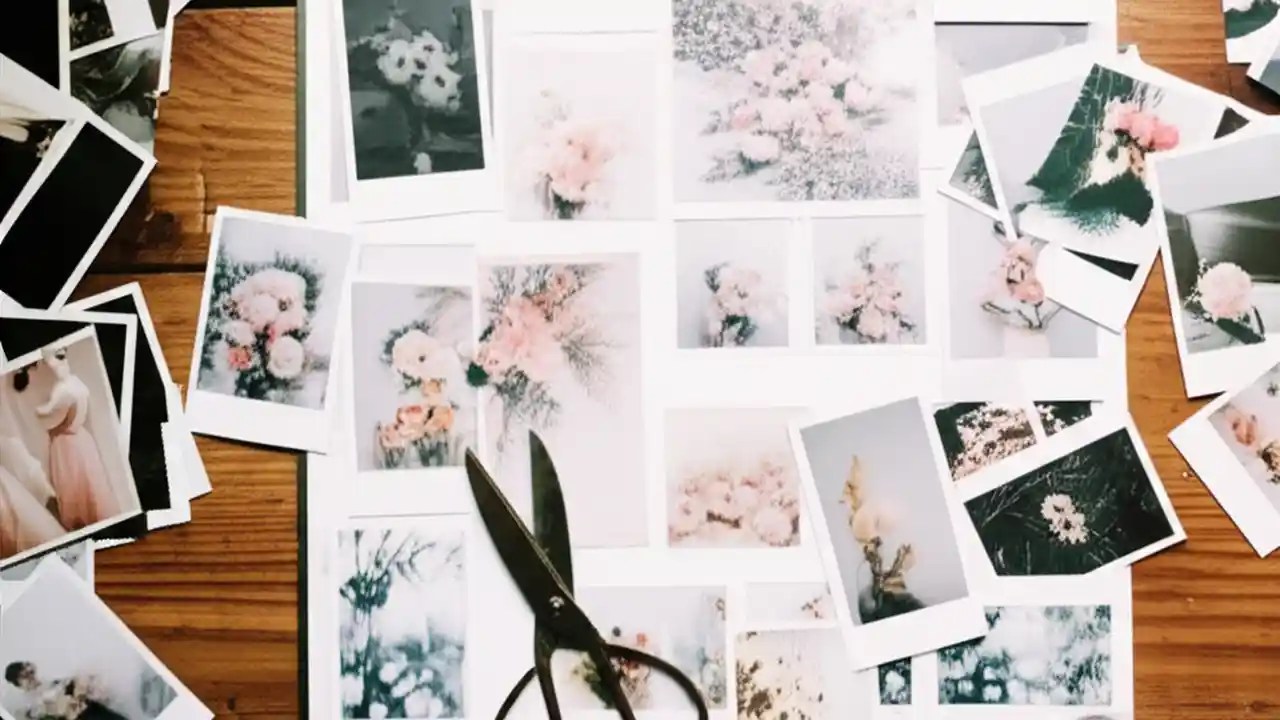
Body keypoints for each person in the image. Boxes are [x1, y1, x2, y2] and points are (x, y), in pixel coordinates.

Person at [34, 349, 121, 531]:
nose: (56, 368)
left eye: (56, 363)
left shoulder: (62, 388)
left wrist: (41, 411)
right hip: (82, 437)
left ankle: (80, 523)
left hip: (66, 443)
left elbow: (43, 411)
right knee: (88, 481)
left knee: (74, 483)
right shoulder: (78, 383)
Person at [3, 662, 130, 720]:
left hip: (91, 710)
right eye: (24, 676)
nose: (30, 677)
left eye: (29, 672)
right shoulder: (28, 705)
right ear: (18, 684)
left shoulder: (52, 683)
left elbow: (72, 687)